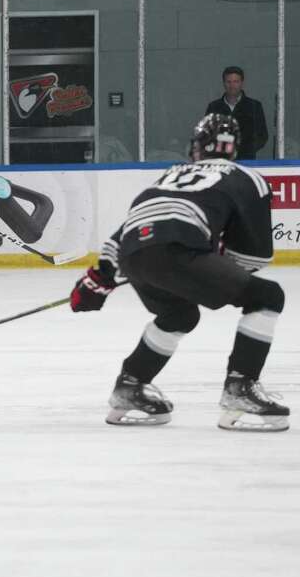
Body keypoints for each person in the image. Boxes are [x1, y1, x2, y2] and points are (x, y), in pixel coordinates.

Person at [70, 114, 287, 432]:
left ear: (196, 147)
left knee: (179, 315)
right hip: (178, 249)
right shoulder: (247, 177)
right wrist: (211, 266)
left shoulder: (170, 175)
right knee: (267, 296)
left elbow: (127, 232)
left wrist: (99, 279)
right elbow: (254, 256)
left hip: (133, 253)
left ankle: (130, 385)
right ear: (234, 148)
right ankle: (240, 387)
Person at [205, 66, 269, 160]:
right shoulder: (214, 107)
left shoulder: (254, 106)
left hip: (246, 162)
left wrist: (245, 150)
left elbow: (262, 136)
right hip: (221, 162)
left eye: (236, 81)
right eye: (229, 82)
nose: (232, 85)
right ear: (224, 83)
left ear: (242, 83)